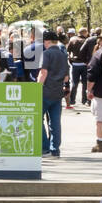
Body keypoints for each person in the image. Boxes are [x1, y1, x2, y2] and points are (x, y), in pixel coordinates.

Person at [37, 28, 69, 157]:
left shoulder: (47, 54)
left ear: (47, 41)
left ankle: (44, 148)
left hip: (45, 91)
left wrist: (38, 87)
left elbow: (43, 72)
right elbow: (66, 77)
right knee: (55, 122)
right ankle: (55, 149)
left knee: (37, 119)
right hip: (58, 92)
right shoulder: (63, 54)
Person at [67, 32, 88, 107]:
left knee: (74, 83)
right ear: (84, 33)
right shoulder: (86, 40)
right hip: (84, 64)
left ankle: (72, 100)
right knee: (85, 83)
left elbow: (68, 51)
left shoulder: (72, 40)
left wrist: (70, 60)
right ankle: (84, 100)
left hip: (75, 63)